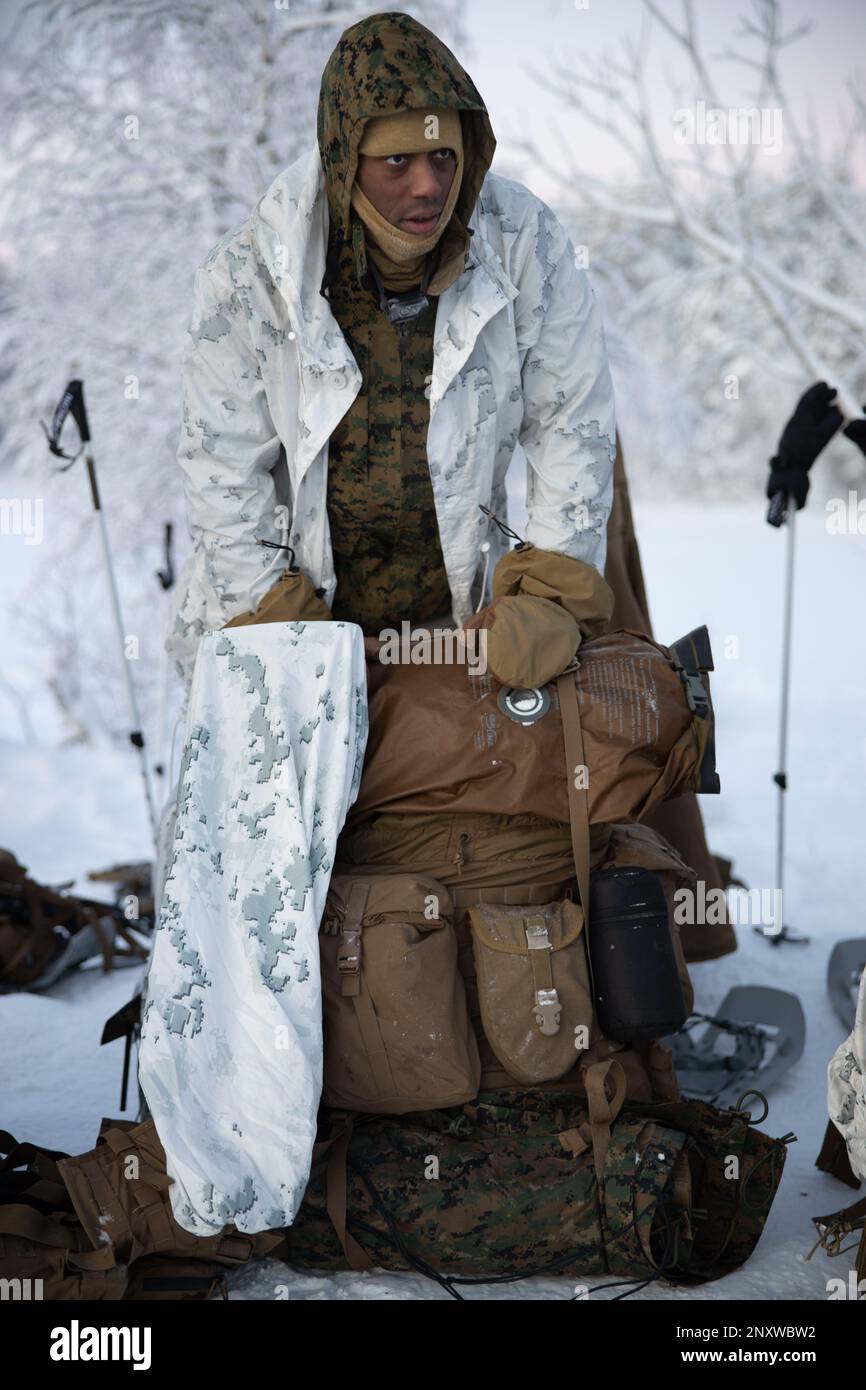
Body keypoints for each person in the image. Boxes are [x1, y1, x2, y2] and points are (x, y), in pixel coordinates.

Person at [165, 9, 618, 694]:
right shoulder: (252, 275)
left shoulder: (523, 243)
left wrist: (551, 594)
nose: (429, 185)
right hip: (278, 621)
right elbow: (222, 468)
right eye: (397, 160)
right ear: (347, 161)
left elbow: (571, 421)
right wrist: (276, 613)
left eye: (444, 155)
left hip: (459, 634)